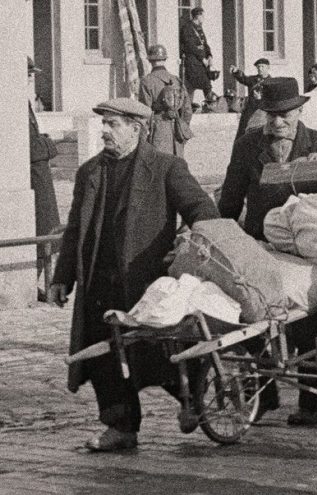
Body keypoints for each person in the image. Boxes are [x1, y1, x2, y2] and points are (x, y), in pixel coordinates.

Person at [48, 98, 219, 451]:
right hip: (99, 282)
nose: (104, 131)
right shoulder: (90, 172)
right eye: (104, 124)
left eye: (113, 124)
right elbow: (75, 229)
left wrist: (192, 242)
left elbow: (201, 208)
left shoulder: (166, 168)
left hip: (147, 282)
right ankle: (121, 427)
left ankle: (192, 397)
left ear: (136, 128)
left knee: (161, 350)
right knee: (104, 357)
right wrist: (62, 278)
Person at [218, 78, 317, 425]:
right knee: (251, 316)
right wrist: (218, 233)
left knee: (307, 325)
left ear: (300, 111)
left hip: (306, 250)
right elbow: (230, 200)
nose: (278, 123)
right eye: (271, 115)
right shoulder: (247, 147)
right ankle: (264, 393)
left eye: (286, 115)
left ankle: (312, 401)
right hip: (261, 244)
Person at [27, 56, 60, 293]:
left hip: (37, 173)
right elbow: (27, 145)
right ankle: (33, 283)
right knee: (42, 227)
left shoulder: (23, 100)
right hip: (33, 174)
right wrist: (49, 144)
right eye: (28, 75)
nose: (30, 79)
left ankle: (38, 282)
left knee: (46, 228)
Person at [139, 44, 193, 158]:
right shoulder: (177, 80)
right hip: (177, 131)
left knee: (159, 165)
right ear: (164, 59)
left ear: (150, 61)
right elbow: (187, 110)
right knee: (176, 165)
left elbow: (144, 113)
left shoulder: (146, 81)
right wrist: (182, 126)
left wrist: (143, 137)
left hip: (158, 130)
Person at [179, 7, 216, 110]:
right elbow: (191, 46)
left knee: (206, 84)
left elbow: (205, 44)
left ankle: (210, 105)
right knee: (195, 85)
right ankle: (188, 107)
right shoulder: (187, 28)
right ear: (197, 16)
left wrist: (209, 55)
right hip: (193, 62)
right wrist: (202, 58)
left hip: (202, 63)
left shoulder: (199, 28)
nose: (204, 18)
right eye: (202, 16)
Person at [231, 58, 271, 138]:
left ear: (268, 67)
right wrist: (236, 72)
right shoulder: (253, 79)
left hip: (263, 111)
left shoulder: (272, 82)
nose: (260, 69)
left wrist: (260, 98)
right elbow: (243, 79)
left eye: (262, 66)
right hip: (250, 110)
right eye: (258, 67)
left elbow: (272, 98)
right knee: (243, 130)